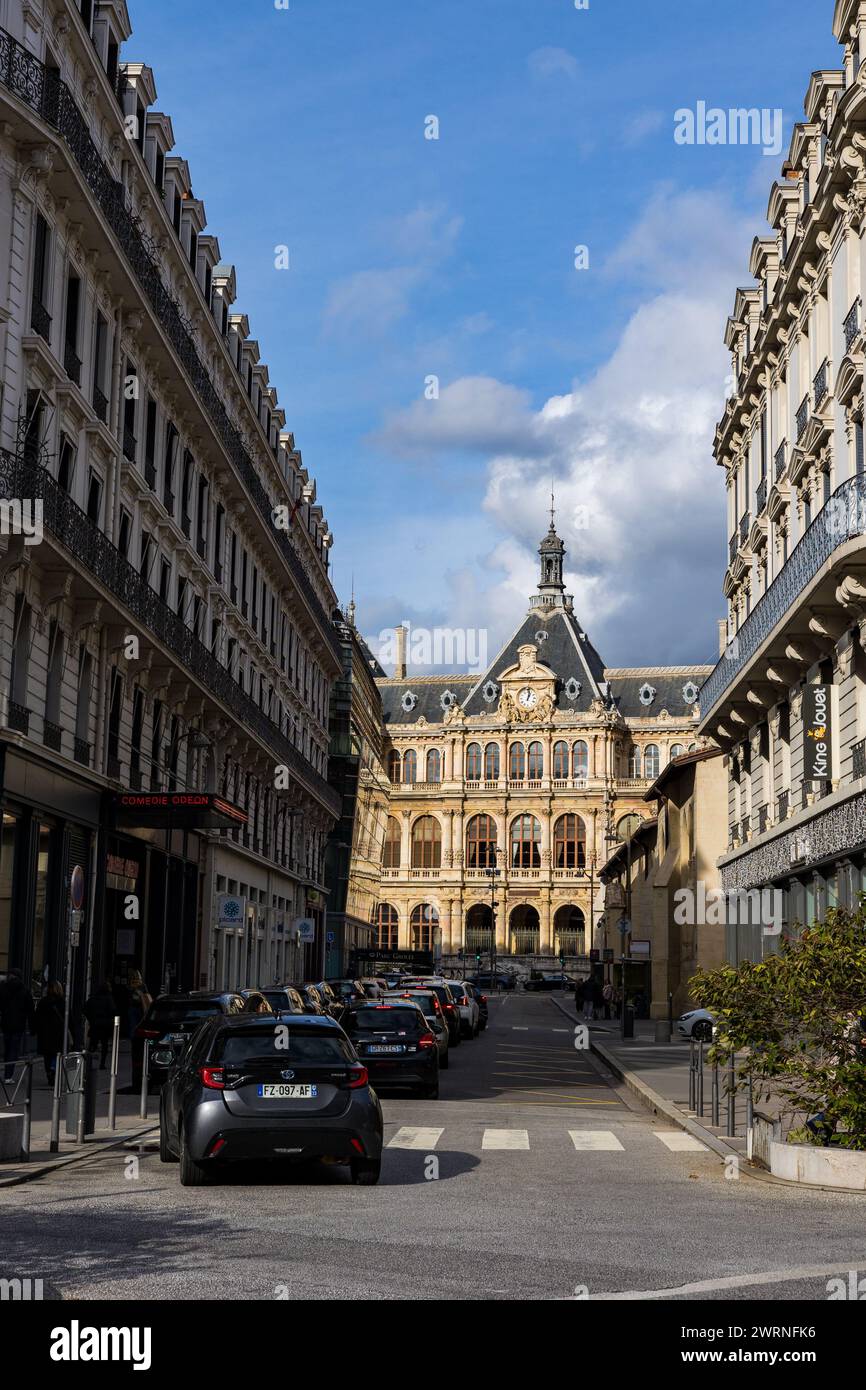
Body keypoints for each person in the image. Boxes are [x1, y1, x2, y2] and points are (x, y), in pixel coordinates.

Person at [0, 968, 36, 1083]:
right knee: (13, 1050)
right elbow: (30, 1010)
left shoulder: (3, 988)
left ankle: (5, 1072)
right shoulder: (24, 990)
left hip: (5, 1023)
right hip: (18, 1025)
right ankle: (8, 1076)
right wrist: (32, 1027)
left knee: (6, 1049)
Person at [35, 981, 67, 1086]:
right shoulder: (62, 1002)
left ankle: (49, 1071)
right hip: (58, 1033)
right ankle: (53, 1069)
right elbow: (68, 1018)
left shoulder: (42, 1002)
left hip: (45, 1033)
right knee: (56, 1053)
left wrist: (35, 1029)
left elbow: (37, 1017)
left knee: (47, 1055)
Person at [84, 980, 117, 1068]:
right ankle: (102, 1063)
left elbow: (85, 1009)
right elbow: (113, 1010)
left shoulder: (94, 998)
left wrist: (91, 1019)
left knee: (93, 1044)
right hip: (104, 1025)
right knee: (104, 1045)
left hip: (95, 1024)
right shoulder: (108, 998)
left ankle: (89, 1063)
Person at [127, 970, 152, 1037]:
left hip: (134, 1008)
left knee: (133, 1025)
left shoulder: (130, 986)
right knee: (139, 1025)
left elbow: (128, 997)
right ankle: (138, 1039)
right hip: (140, 1007)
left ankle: (133, 1039)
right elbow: (147, 995)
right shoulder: (142, 985)